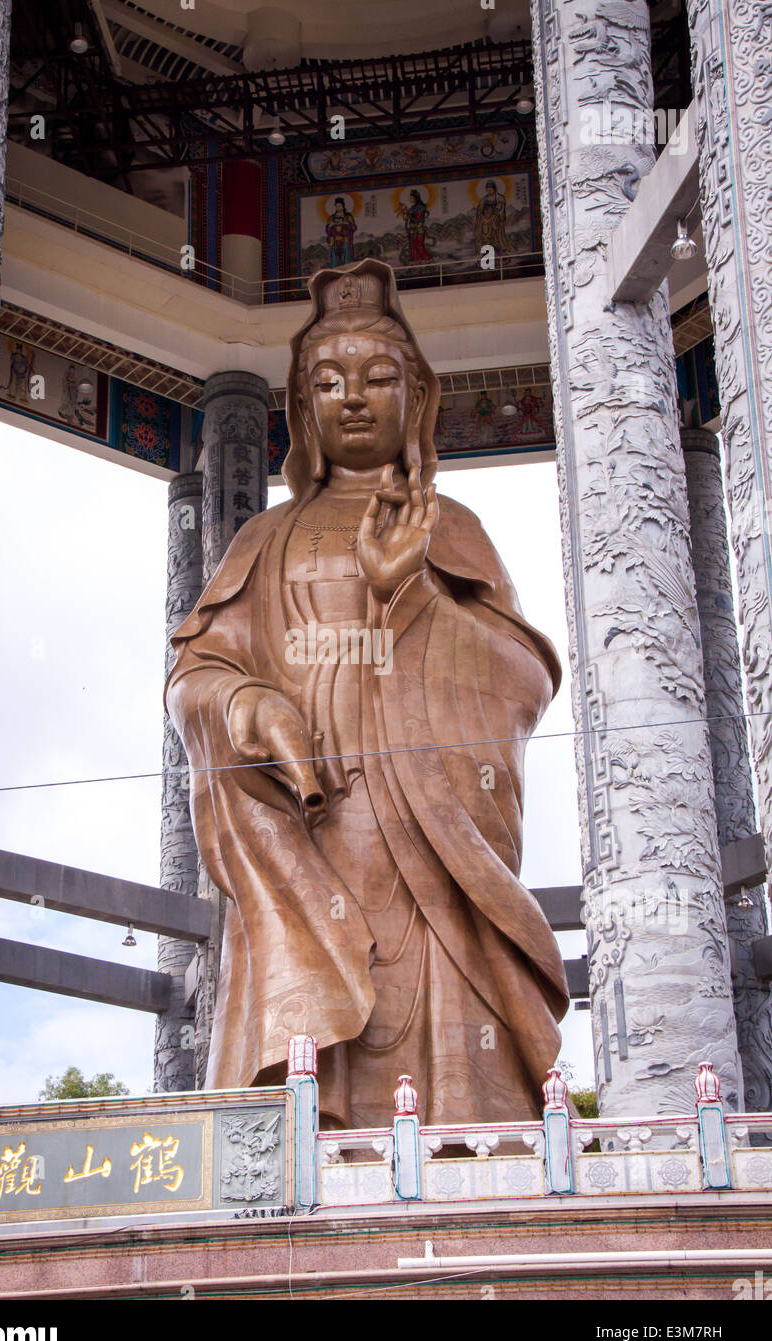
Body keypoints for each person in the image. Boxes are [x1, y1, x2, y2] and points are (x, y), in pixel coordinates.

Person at [166, 259, 568, 1127]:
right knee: (318, 1015)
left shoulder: (450, 528)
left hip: (427, 826)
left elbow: (525, 676)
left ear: (415, 400)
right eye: (327, 381)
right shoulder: (265, 538)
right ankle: (312, 1157)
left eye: (380, 378)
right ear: (301, 408)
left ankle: (461, 1148)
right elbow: (197, 669)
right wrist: (246, 707)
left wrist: (410, 593)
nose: (354, 398)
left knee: (438, 1024)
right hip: (303, 821)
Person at [324, 197, 357, 267]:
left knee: (346, 257)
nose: (338, 207)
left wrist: (347, 224)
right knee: (334, 258)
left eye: (339, 206)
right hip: (335, 240)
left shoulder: (348, 217)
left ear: (343, 206)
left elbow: (354, 227)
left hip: (345, 239)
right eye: (336, 206)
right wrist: (331, 226)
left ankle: (347, 271)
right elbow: (327, 230)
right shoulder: (331, 218)